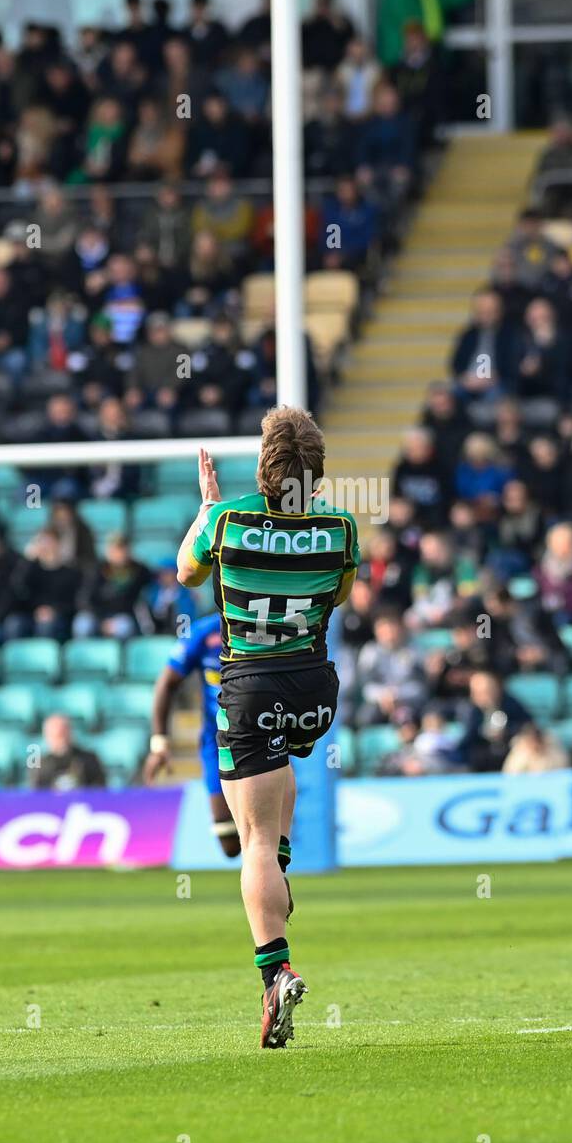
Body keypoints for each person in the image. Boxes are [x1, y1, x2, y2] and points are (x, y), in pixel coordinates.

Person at [175, 407, 359, 1049]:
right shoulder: (340, 527)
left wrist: (207, 511)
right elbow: (336, 597)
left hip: (249, 687)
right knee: (276, 811)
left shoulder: (227, 522)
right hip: (313, 689)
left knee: (251, 840)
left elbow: (186, 573)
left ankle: (275, 969)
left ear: (263, 463)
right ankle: (276, 886)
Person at [143, 611, 242, 861]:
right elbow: (166, 683)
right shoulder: (203, 633)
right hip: (217, 741)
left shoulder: (263, 628)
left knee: (262, 830)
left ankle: (266, 882)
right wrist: (159, 743)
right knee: (230, 844)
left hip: (260, 736)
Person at [29, 713, 107, 791]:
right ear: (47, 736)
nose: (61, 739)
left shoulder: (89, 759)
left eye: (63, 733)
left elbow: (99, 792)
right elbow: (36, 796)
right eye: (56, 735)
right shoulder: (40, 765)